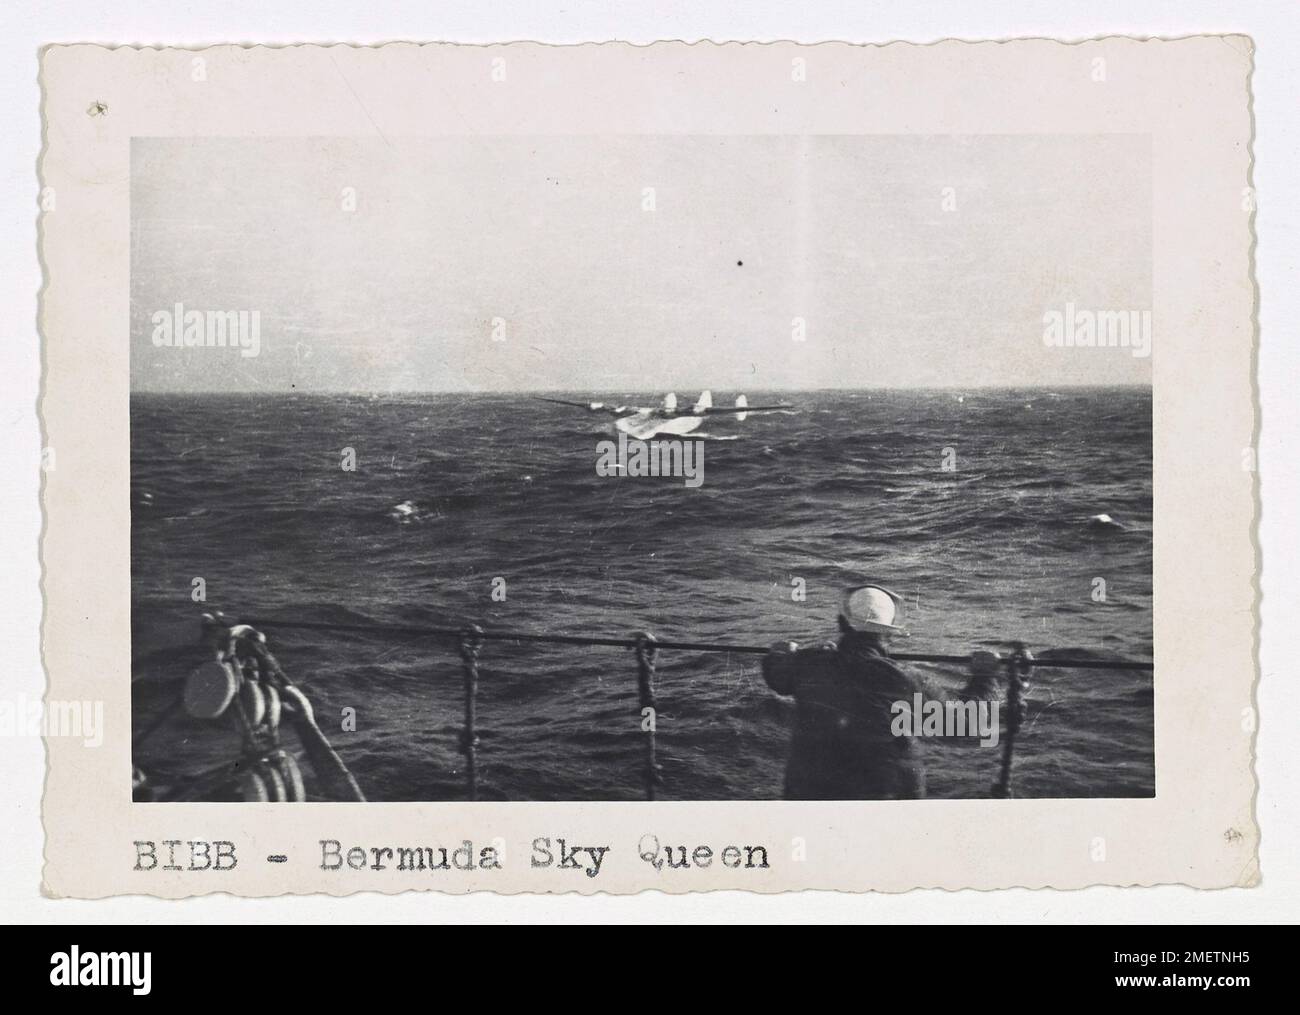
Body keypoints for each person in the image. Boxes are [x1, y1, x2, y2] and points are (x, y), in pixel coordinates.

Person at [762, 584, 996, 800]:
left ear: (842, 624)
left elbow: (777, 678)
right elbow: (969, 722)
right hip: (884, 801)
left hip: (809, 796)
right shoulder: (905, 680)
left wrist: (781, 655)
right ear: (890, 633)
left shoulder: (806, 664)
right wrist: (985, 677)